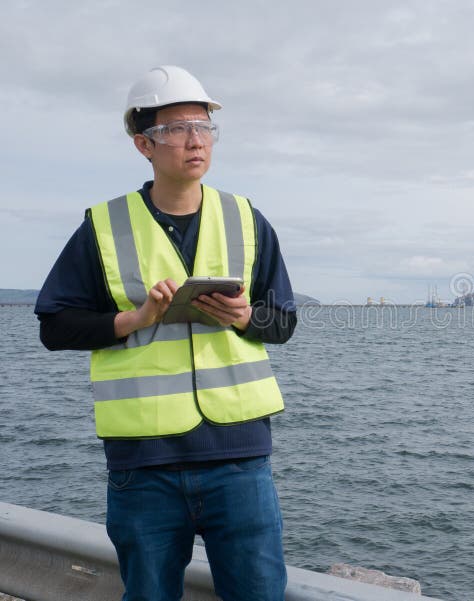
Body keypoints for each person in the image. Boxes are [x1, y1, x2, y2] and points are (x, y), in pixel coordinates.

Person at [34, 65, 296, 601]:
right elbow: (54, 324)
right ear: (143, 144)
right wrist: (134, 320)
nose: (195, 141)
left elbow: (284, 320)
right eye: (177, 129)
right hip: (144, 466)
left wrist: (244, 317)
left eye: (204, 127)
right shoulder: (104, 228)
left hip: (239, 460)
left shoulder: (246, 219)